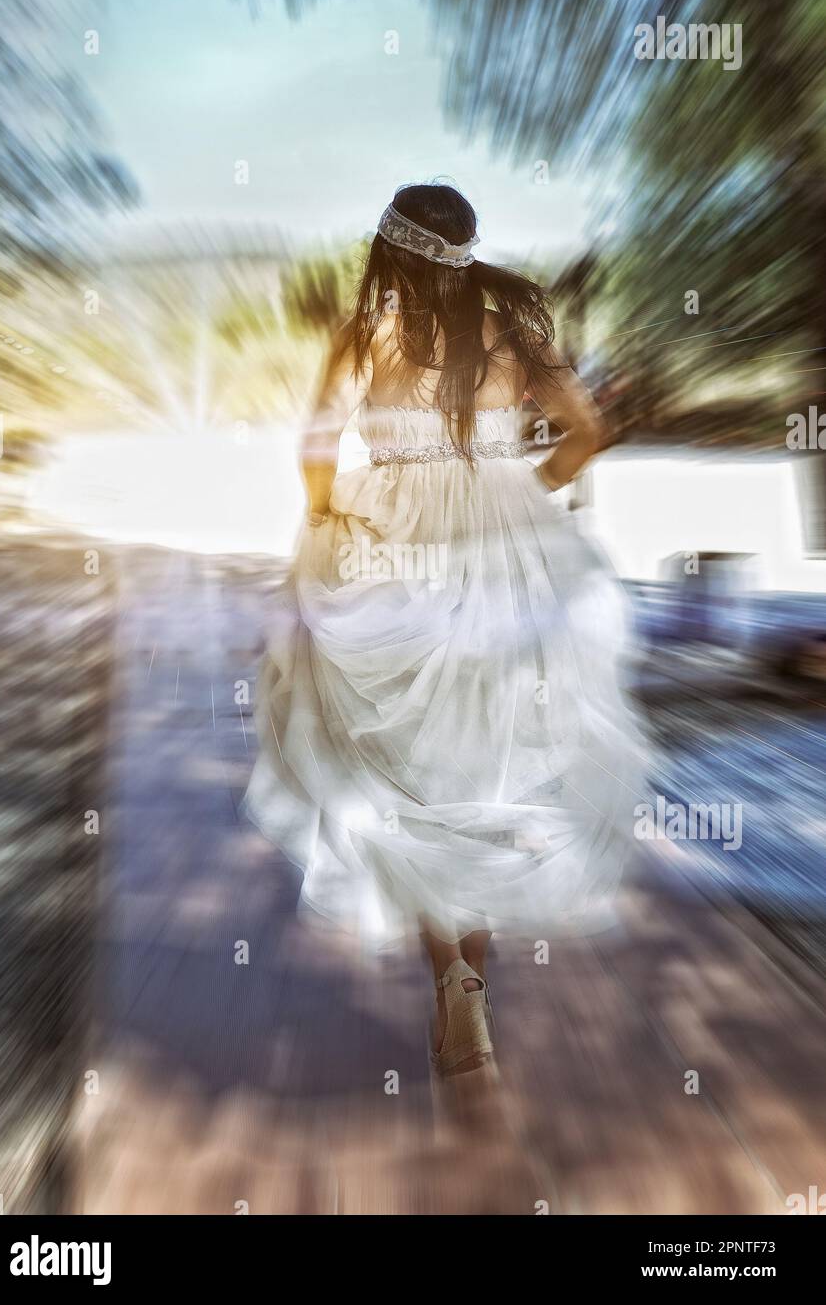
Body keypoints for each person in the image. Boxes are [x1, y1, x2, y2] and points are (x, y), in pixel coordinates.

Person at [246, 183, 645, 1077]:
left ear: (393, 255)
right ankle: (475, 980)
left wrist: (328, 521)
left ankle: (453, 979)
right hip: (511, 558)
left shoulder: (367, 339)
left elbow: (316, 447)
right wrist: (522, 497)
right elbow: (589, 433)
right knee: (487, 766)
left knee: (413, 772)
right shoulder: (515, 338)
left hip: (395, 553)